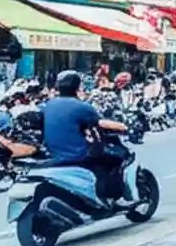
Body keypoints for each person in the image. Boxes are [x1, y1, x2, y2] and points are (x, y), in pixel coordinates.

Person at [42, 71, 130, 203]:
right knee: (114, 159)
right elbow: (100, 123)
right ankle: (104, 197)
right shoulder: (82, 106)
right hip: (77, 155)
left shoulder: (48, 105)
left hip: (53, 154)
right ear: (78, 88)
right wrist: (123, 127)